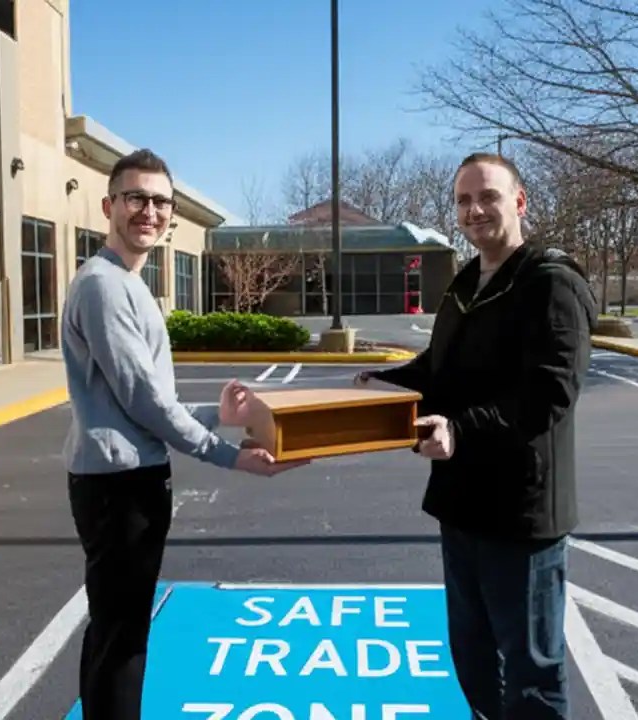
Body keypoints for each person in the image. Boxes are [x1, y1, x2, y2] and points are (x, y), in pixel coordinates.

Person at [60, 149, 307, 720]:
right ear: (109, 206)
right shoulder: (103, 287)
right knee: (123, 640)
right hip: (120, 488)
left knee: (115, 630)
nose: (149, 211)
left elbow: (144, 400)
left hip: (124, 478)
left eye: (160, 201)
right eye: (136, 198)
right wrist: (230, 456)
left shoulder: (126, 282)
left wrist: (216, 414)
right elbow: (145, 403)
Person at [356, 152, 596, 719]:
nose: (474, 210)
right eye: (463, 200)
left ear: (519, 201)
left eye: (488, 196)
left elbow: (549, 393)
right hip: (462, 505)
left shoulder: (550, 282)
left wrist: (460, 430)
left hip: (520, 514)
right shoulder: (467, 281)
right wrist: (384, 382)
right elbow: (442, 366)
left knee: (531, 670)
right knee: (471, 654)